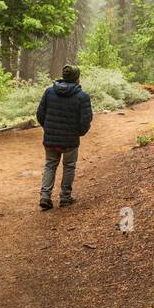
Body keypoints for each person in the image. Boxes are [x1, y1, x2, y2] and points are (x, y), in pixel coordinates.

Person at [35, 64, 93, 210]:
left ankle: (45, 196)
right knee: (69, 167)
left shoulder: (49, 92)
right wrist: (78, 132)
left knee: (50, 165)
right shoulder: (82, 97)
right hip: (70, 141)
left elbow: (40, 114)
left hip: (50, 139)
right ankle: (65, 198)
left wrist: (48, 129)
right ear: (77, 78)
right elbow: (85, 120)